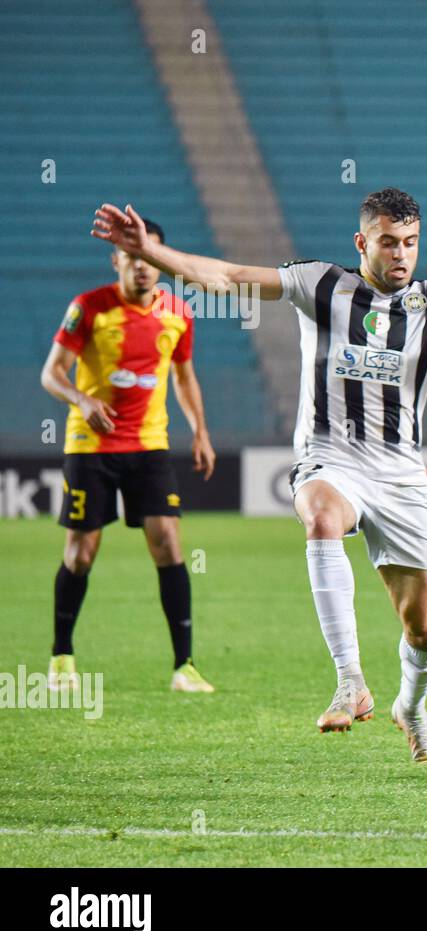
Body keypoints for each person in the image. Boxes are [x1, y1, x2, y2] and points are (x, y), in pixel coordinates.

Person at [90, 189, 427, 763]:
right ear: (362, 242)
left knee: (422, 629)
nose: (401, 254)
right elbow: (226, 277)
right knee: (322, 518)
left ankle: (411, 708)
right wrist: (150, 251)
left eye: (410, 243)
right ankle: (350, 680)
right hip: (331, 457)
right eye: (388, 242)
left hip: (401, 474)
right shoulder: (320, 284)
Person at [41, 216, 217, 693]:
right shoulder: (89, 308)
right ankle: (61, 656)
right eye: (132, 257)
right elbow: (52, 373)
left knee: (169, 544)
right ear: (116, 259)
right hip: (91, 446)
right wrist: (81, 400)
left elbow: (184, 376)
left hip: (149, 446)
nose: (141, 266)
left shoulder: (177, 313)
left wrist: (200, 431)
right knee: (81, 553)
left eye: (149, 257)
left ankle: (184, 666)